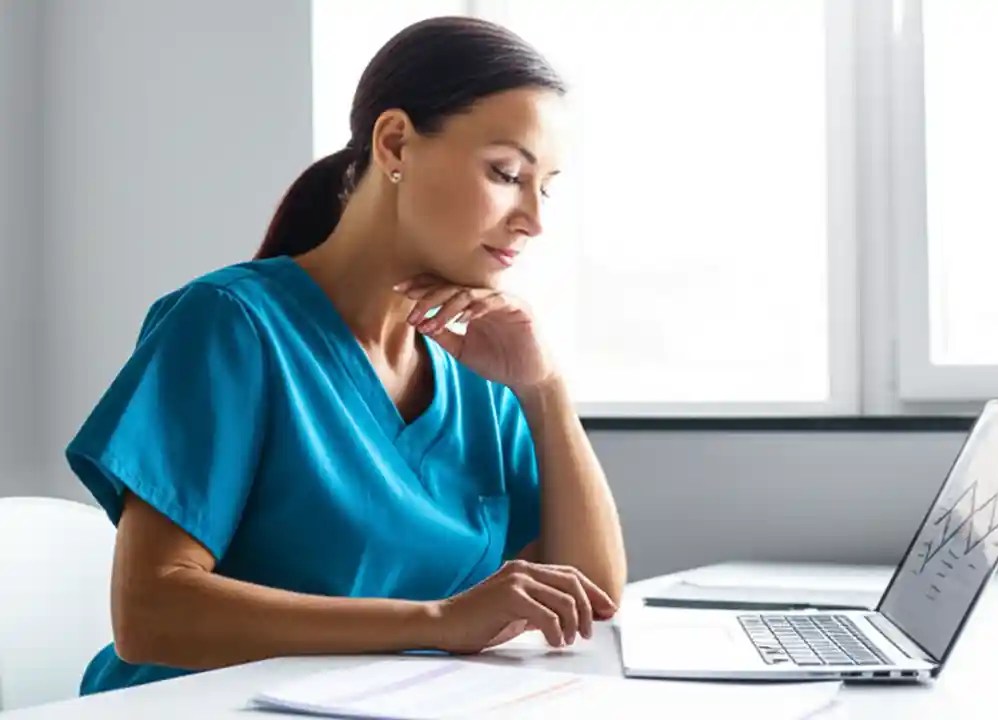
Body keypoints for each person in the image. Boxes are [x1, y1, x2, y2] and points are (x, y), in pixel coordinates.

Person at [65, 16, 626, 695]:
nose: (534, 218)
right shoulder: (231, 326)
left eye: (547, 186)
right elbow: (152, 613)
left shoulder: (487, 374)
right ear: (395, 143)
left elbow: (589, 600)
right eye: (507, 173)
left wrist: (545, 389)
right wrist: (439, 619)